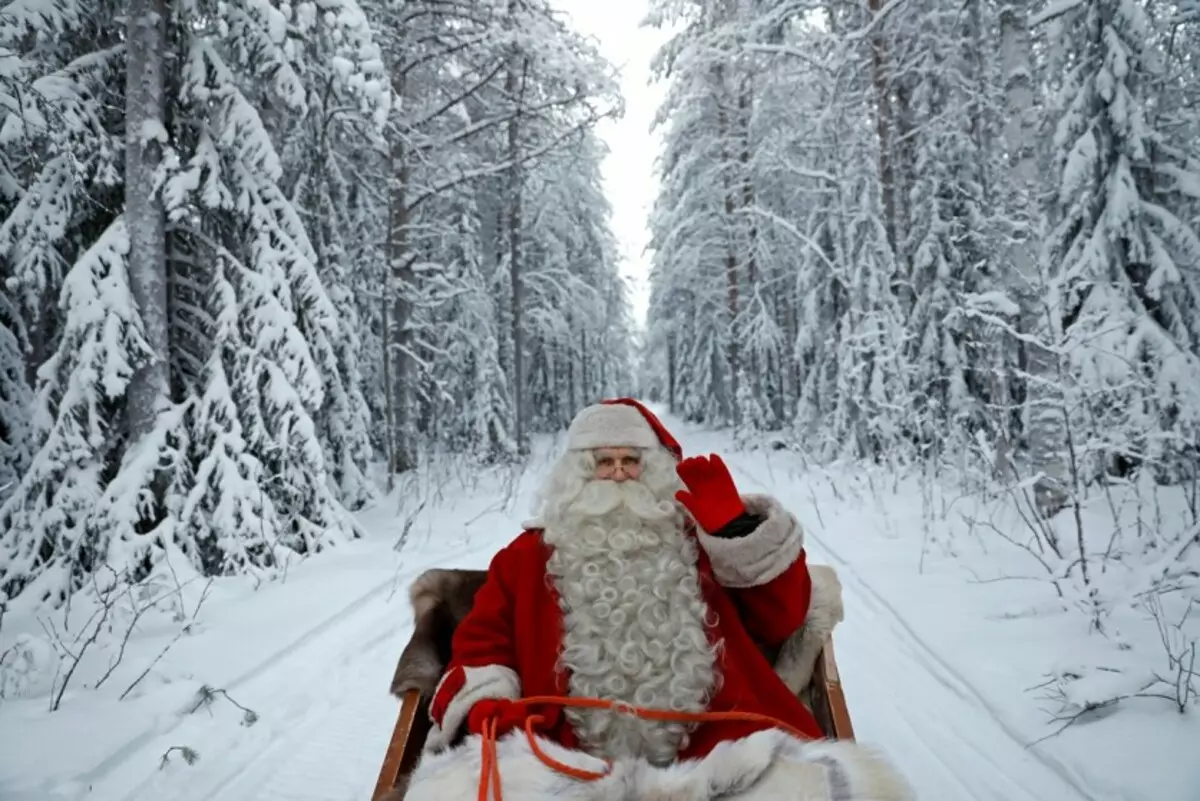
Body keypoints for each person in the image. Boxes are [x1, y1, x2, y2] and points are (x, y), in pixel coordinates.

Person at [403, 398, 913, 800]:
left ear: (656, 471)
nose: (620, 473)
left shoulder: (699, 543)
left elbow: (782, 618)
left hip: (720, 755)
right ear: (578, 473)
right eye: (605, 462)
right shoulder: (525, 557)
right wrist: (492, 703)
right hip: (565, 760)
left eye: (633, 461)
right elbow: (482, 643)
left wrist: (735, 531)